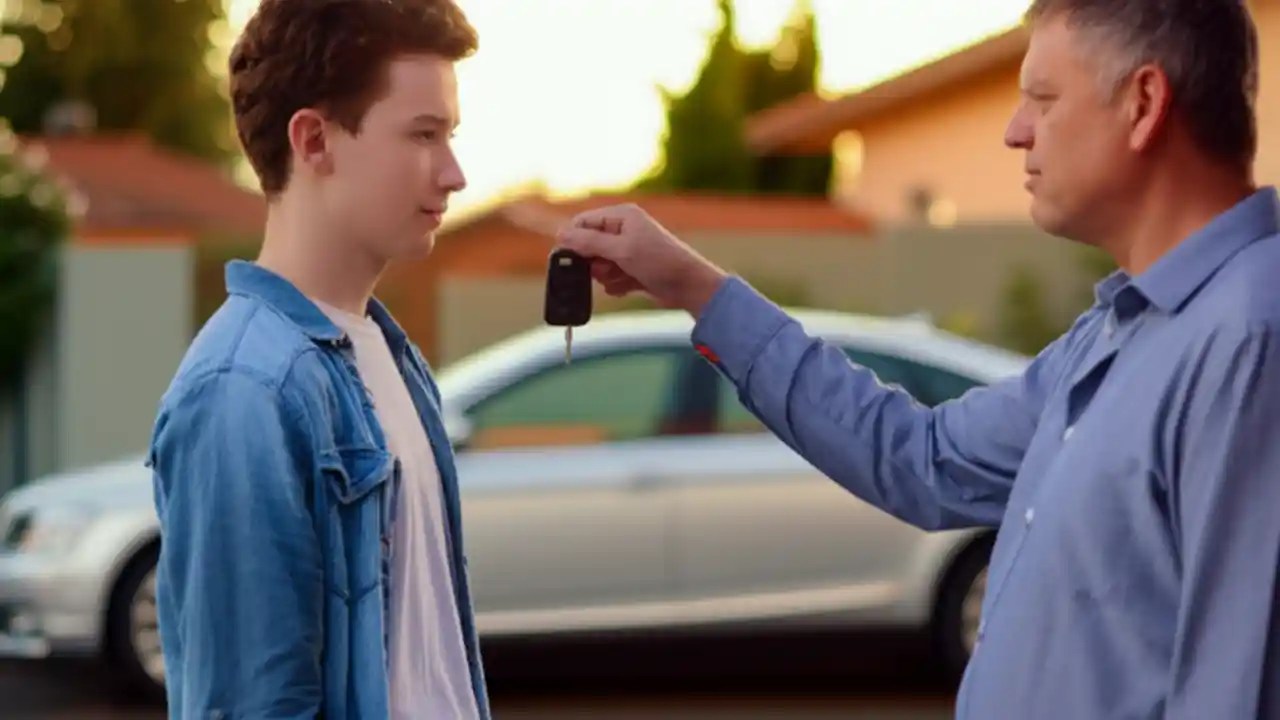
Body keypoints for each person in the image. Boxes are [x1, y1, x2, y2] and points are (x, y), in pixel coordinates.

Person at [556, 1, 1280, 717]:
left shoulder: (1251, 340)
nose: (1014, 131)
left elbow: (1235, 691)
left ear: (1144, 102)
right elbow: (923, 458)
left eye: (1043, 99)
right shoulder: (1122, 334)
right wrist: (694, 287)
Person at [146, 1, 489, 717]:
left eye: (450, 135)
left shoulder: (389, 356)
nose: (455, 173)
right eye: (424, 135)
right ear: (314, 139)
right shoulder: (243, 390)